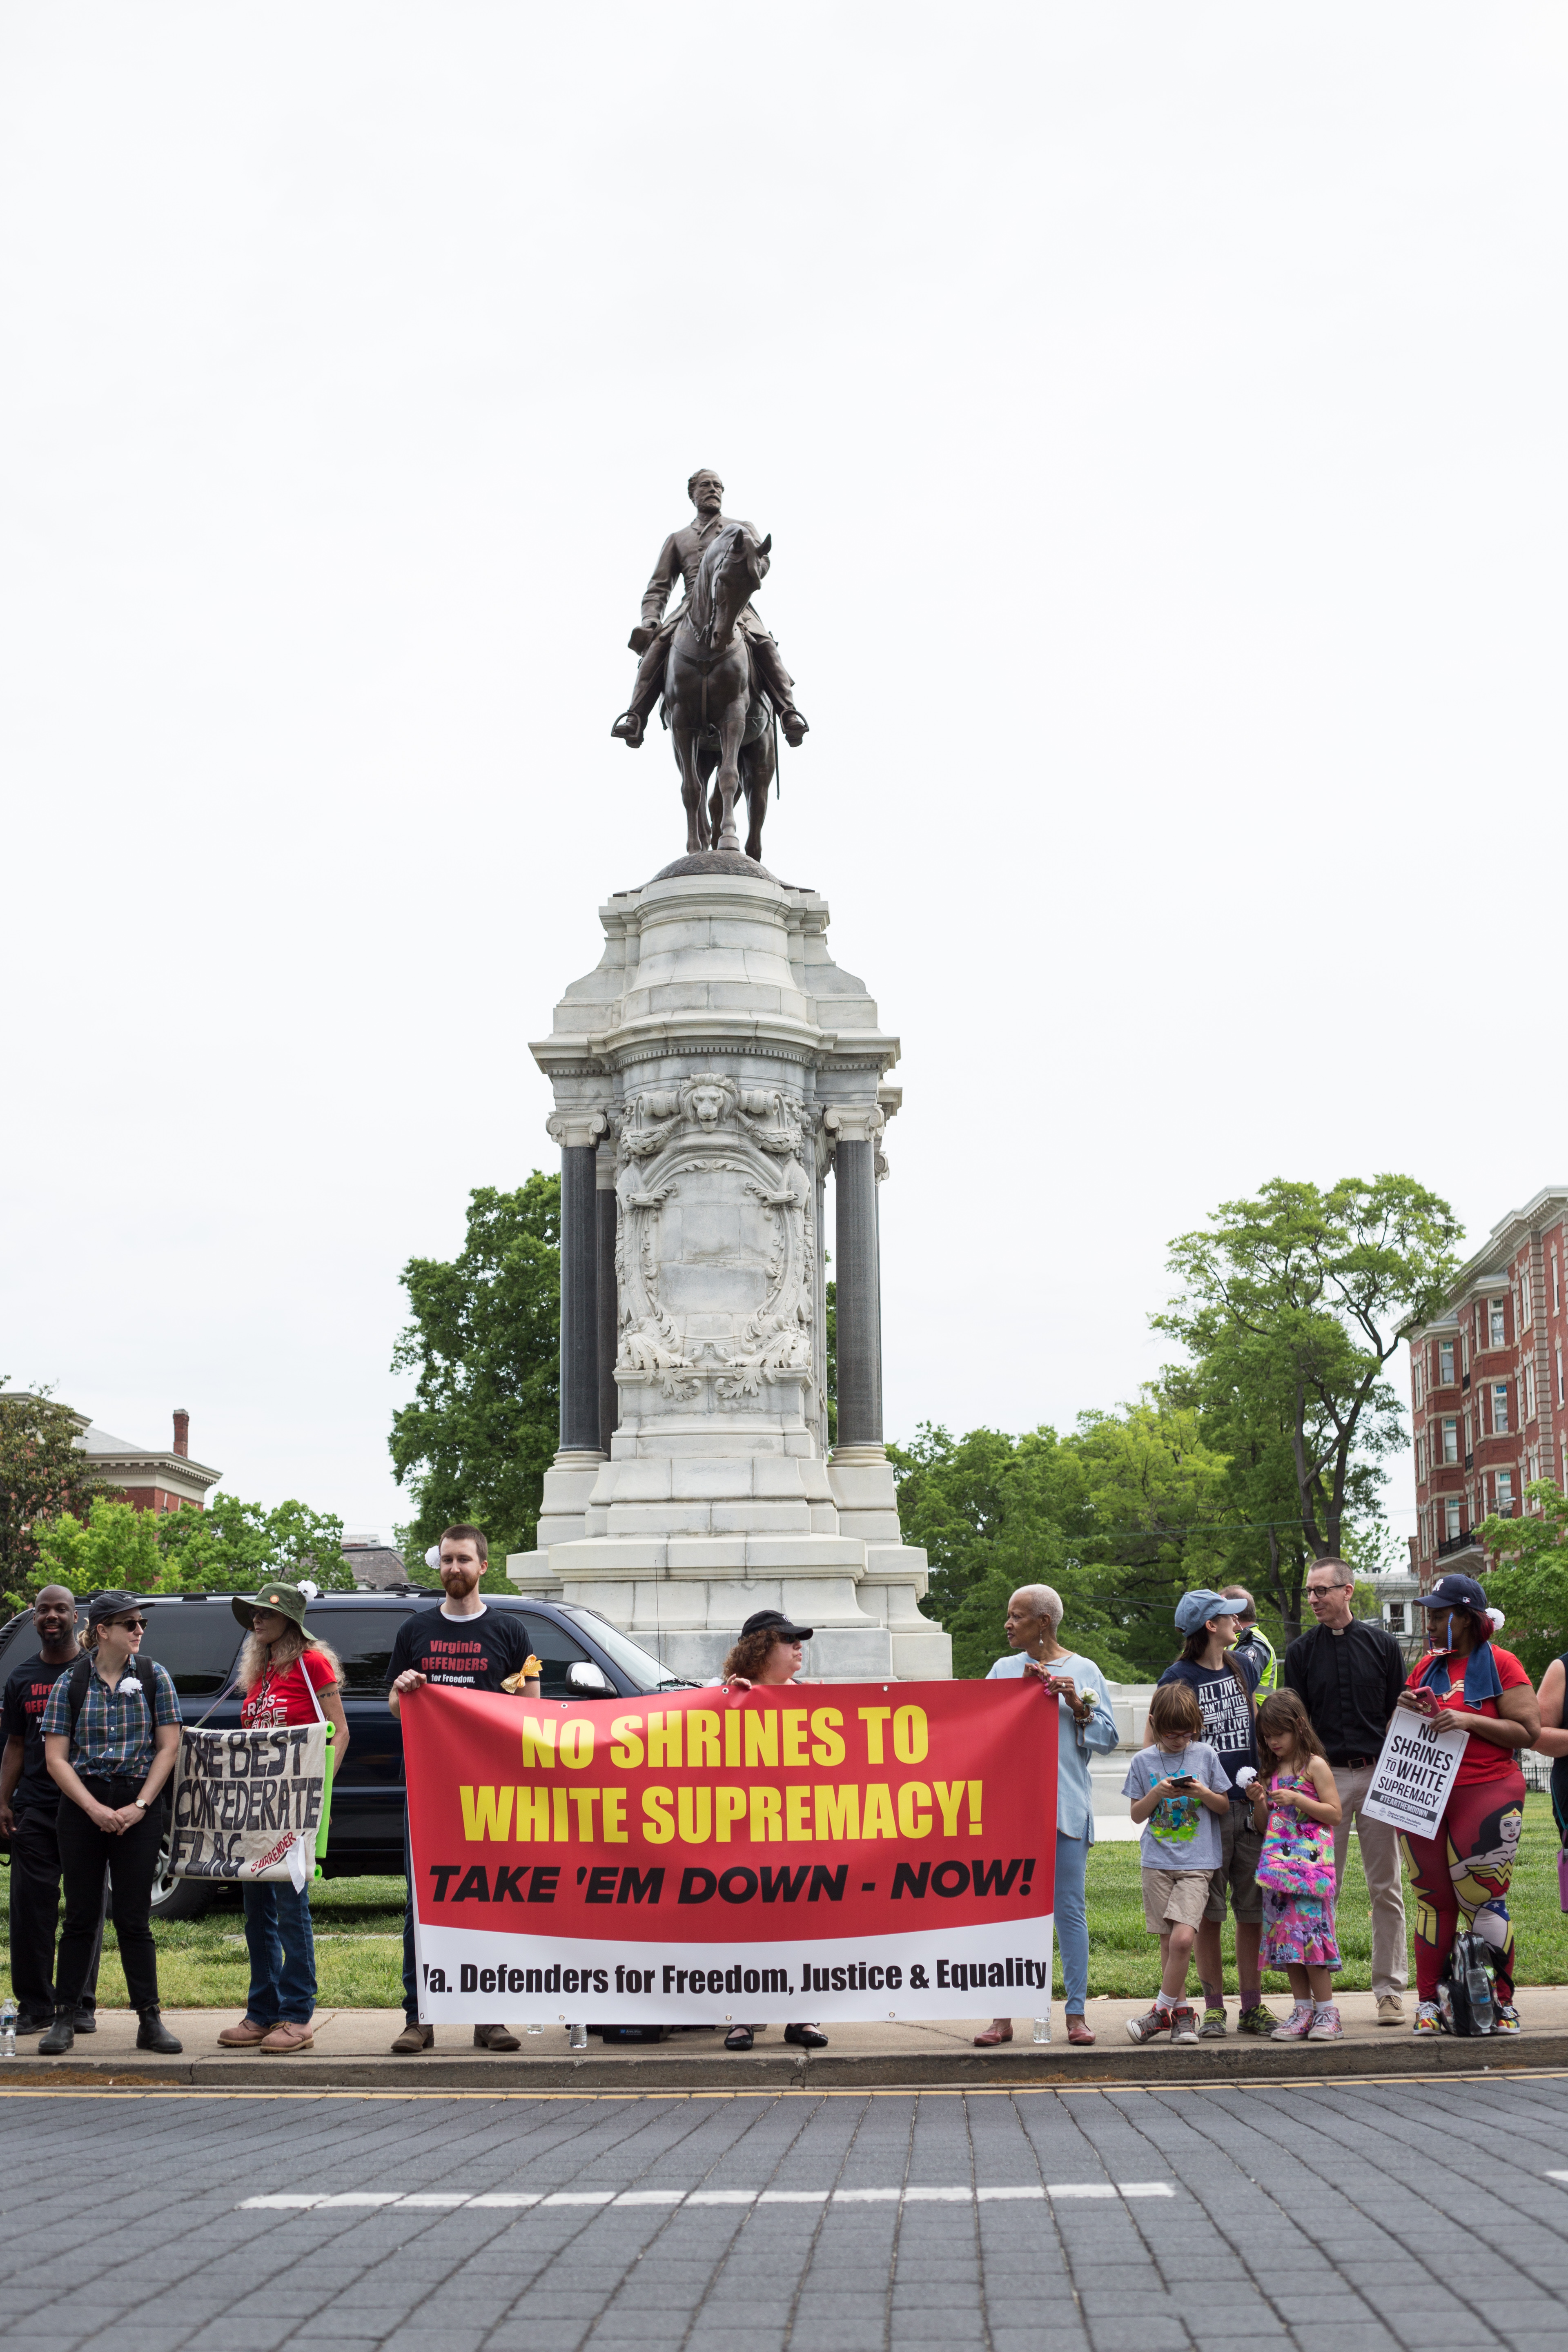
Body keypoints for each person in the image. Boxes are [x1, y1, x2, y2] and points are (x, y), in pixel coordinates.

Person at [384, 1525, 538, 2054]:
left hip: (491, 1795)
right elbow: (393, 1708)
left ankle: (488, 2018)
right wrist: (404, 1692)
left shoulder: (511, 1632)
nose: (454, 1569)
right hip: (430, 1793)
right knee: (423, 1905)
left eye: (464, 1560)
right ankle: (420, 2018)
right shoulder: (416, 1632)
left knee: (489, 1899)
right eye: (447, 1560)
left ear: (483, 1568)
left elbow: (532, 1705)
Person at [38, 1590, 183, 2055]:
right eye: (130, 1624)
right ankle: (65, 2017)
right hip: (84, 1805)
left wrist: (140, 1806)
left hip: (139, 1806)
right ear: (103, 1631)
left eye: (142, 1624)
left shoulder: (155, 1677)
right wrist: (93, 1809)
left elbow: (168, 1747)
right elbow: (57, 1759)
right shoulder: (71, 1683)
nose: (140, 1631)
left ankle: (150, 2019)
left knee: (134, 1918)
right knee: (80, 1916)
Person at [975, 1584, 1118, 2047]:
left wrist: (1077, 1705)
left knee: (1069, 1912)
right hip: (1011, 1814)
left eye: (1017, 1616)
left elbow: (1109, 1738)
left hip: (1065, 1810)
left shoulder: (1084, 1670)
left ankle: (1075, 2014)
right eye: (1009, 1615)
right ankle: (1002, 2016)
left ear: (1044, 1622)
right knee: (1005, 1914)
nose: (1008, 1624)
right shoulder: (1002, 1670)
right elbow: (978, 1730)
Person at [1401, 1572, 1539, 2036]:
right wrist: (1408, 1708)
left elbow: (1529, 1732)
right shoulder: (1426, 1667)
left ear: (1465, 1618)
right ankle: (1429, 2003)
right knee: (1431, 1899)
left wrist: (1467, 1719)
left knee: (1481, 1899)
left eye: (1440, 1615)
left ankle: (1499, 2001)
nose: (1431, 1622)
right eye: (1430, 1614)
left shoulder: (1502, 1664)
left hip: (1486, 1789)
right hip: (1424, 1794)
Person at [214, 1584, 350, 2055]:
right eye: (251, 1614)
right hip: (258, 1809)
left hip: (294, 1808)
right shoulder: (261, 1670)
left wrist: (315, 1794)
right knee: (257, 1914)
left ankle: (297, 2016)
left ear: (289, 1621)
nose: (254, 1620)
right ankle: (262, 2012)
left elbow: (340, 1733)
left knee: (291, 1911)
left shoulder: (312, 1665)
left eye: (263, 1614)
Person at [1281, 1556, 1410, 2025]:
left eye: (1322, 1591)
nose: (1313, 1599)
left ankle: (1391, 1990)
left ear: (1347, 1591)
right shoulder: (1300, 1652)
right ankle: (1321, 2000)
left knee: (1387, 1888)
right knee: (1319, 1890)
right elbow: (1291, 1724)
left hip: (1377, 1775)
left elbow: (1402, 1714)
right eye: (1310, 1592)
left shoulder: (1383, 1645)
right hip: (1322, 1779)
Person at [610, 470, 809, 748]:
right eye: (706, 486)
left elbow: (763, 561)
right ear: (693, 494)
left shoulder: (741, 527)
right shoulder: (678, 539)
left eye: (718, 486)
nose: (713, 490)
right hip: (691, 606)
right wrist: (651, 619)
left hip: (736, 603)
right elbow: (659, 586)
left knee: (765, 644)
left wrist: (748, 569)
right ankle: (634, 716)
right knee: (658, 646)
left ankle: (788, 712)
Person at [1158, 1590, 1272, 2037]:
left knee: (1252, 1911)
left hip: (1248, 1805)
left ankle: (1252, 2006)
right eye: (1229, 1616)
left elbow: (1258, 1715)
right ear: (1210, 1626)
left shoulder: (1241, 1666)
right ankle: (1214, 2009)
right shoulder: (1178, 1677)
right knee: (1208, 1914)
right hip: (1205, 1810)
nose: (1238, 1620)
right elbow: (1161, 1742)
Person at [714, 1609, 828, 2054]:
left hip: (801, 1833)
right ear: (760, 1648)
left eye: (800, 1640)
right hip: (741, 1834)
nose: (799, 1647)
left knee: (805, 1924)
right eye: (789, 1640)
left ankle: (805, 2017)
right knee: (746, 1925)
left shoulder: (817, 1702)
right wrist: (727, 1700)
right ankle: (743, 2019)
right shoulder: (719, 1697)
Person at [0, 1587, 104, 2036]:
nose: (51, 1616)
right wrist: (2, 1800)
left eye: (60, 1609)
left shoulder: (95, 1673)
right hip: (36, 1809)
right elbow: (16, 1745)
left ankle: (79, 2004)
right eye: (43, 1610)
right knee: (30, 1910)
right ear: (36, 1618)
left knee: (86, 1908)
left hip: (84, 1807)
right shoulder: (21, 1678)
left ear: (75, 1617)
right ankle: (36, 2006)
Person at [1122, 1681, 1232, 2045]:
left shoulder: (1205, 1756)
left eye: (1186, 1734)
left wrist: (1202, 1792)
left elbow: (1223, 1806)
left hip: (1198, 1863)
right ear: (1154, 1723)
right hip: (1156, 1861)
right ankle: (1183, 2015)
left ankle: (1159, 2011)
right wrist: (1158, 1792)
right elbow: (1137, 1815)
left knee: (1185, 1938)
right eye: (1171, 1734)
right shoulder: (1144, 1761)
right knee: (1169, 1943)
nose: (1179, 1740)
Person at [1246, 1690, 1344, 2042]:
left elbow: (1335, 1813)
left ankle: (1328, 2012)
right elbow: (1264, 1825)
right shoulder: (1270, 1770)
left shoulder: (1314, 1765)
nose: (1272, 1741)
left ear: (1299, 1727)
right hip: (1278, 1874)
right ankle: (1303, 2009)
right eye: (1267, 1736)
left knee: (1312, 1943)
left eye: (1279, 1734)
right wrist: (1260, 1802)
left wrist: (1299, 1798)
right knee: (1288, 1943)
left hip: (1310, 1874)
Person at [1223, 1586, 1278, 1696]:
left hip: (1256, 1711)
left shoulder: (1253, 1644)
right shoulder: (1236, 1640)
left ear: (1234, 1615)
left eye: (1220, 1612)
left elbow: (1235, 1690)